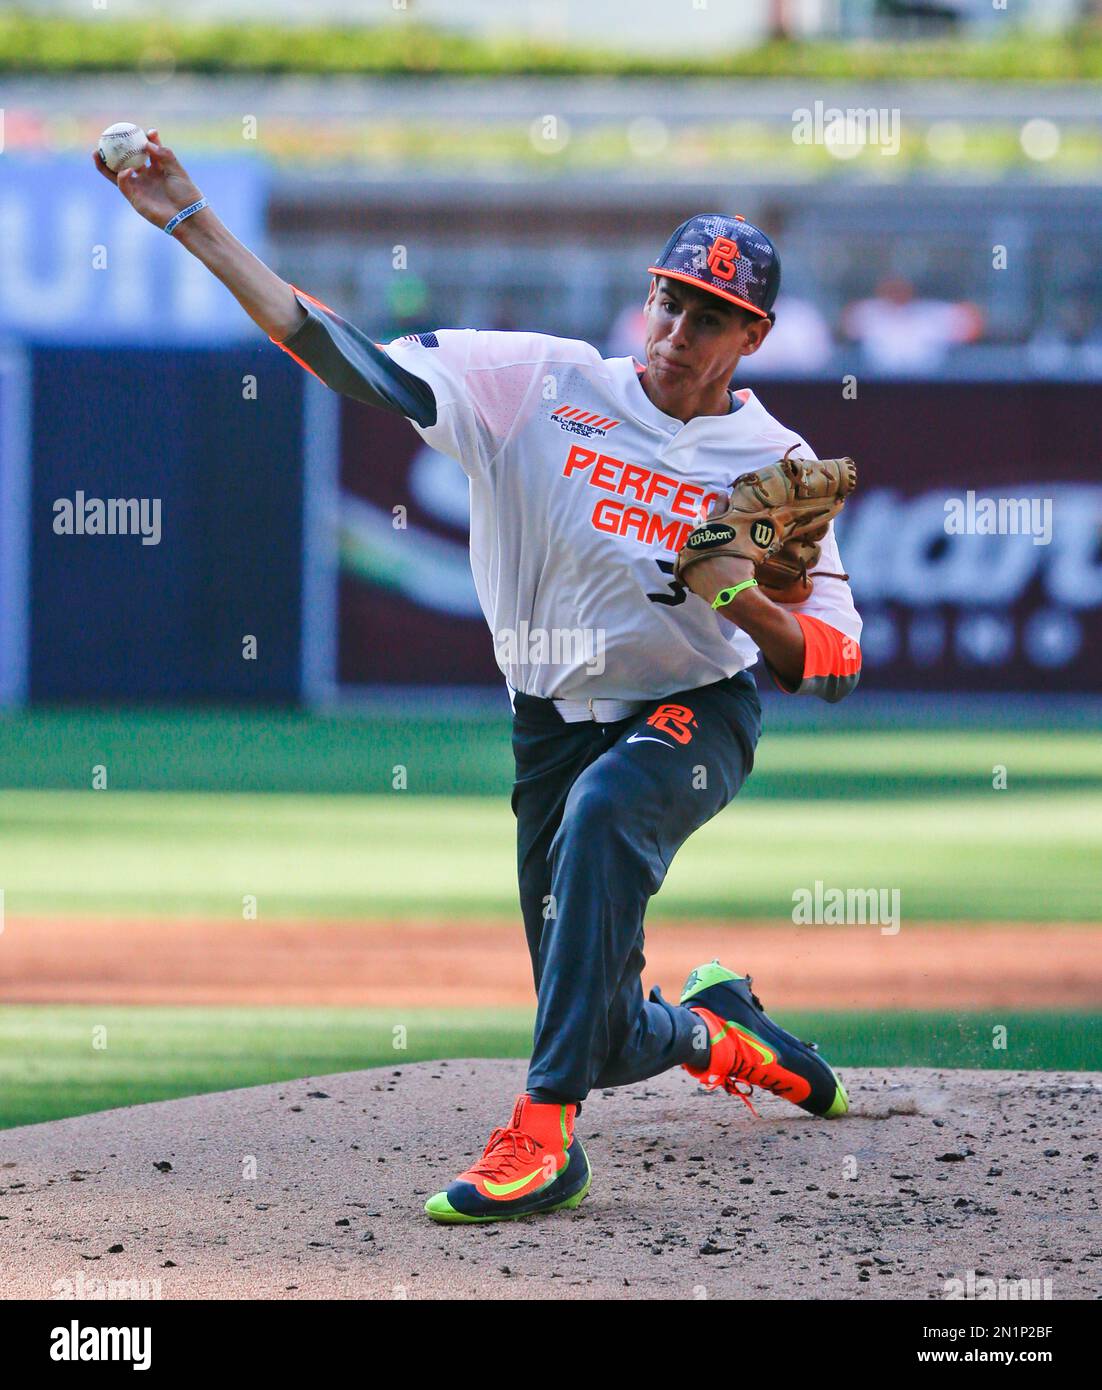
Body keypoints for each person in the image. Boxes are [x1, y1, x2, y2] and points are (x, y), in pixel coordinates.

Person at [97, 138, 863, 1225]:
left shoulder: (772, 464)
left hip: (693, 714)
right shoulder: (541, 380)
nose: (674, 329)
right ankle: (720, 1031)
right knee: (598, 1029)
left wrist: (737, 593)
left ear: (754, 336)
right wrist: (192, 221)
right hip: (548, 728)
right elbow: (348, 356)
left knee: (607, 815)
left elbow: (832, 663)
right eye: (666, 299)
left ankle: (542, 1140)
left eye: (706, 316)